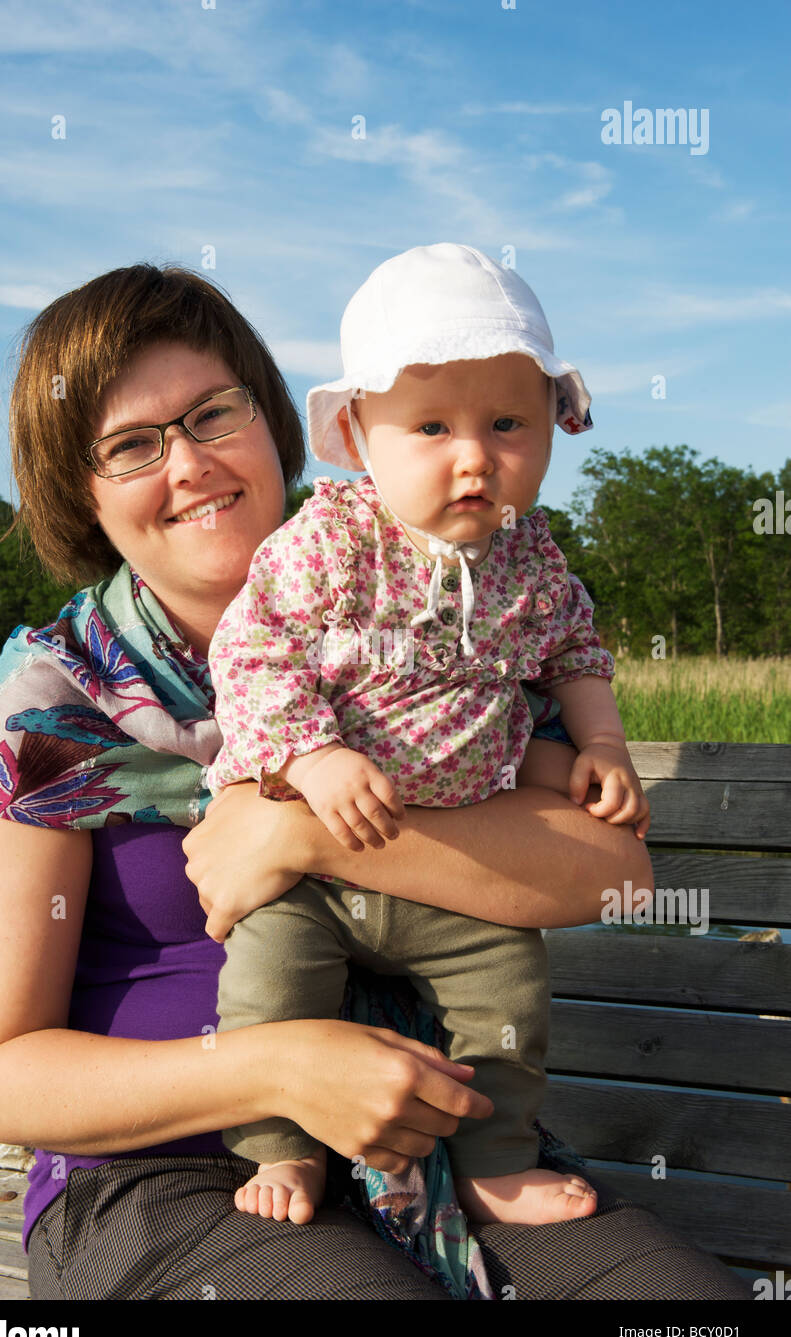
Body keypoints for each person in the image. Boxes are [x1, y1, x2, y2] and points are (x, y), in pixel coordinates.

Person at [0, 262, 751, 1300]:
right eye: (133, 445)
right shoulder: (53, 698)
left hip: (451, 1140)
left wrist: (300, 834)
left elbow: (611, 871)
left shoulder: (446, 594)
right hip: (164, 1173)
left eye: (210, 413)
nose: (187, 463)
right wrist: (281, 1067)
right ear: (83, 491)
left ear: (273, 420)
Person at [206, 244, 652, 1231]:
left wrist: (602, 747)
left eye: (506, 424)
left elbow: (574, 652)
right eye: (432, 427)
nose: (473, 455)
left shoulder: (530, 559)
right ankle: (279, 1147)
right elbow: (252, 646)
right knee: (269, 978)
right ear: (360, 437)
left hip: (453, 874)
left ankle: (495, 1158)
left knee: (508, 993)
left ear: (548, 428)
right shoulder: (329, 543)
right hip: (312, 872)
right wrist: (311, 755)